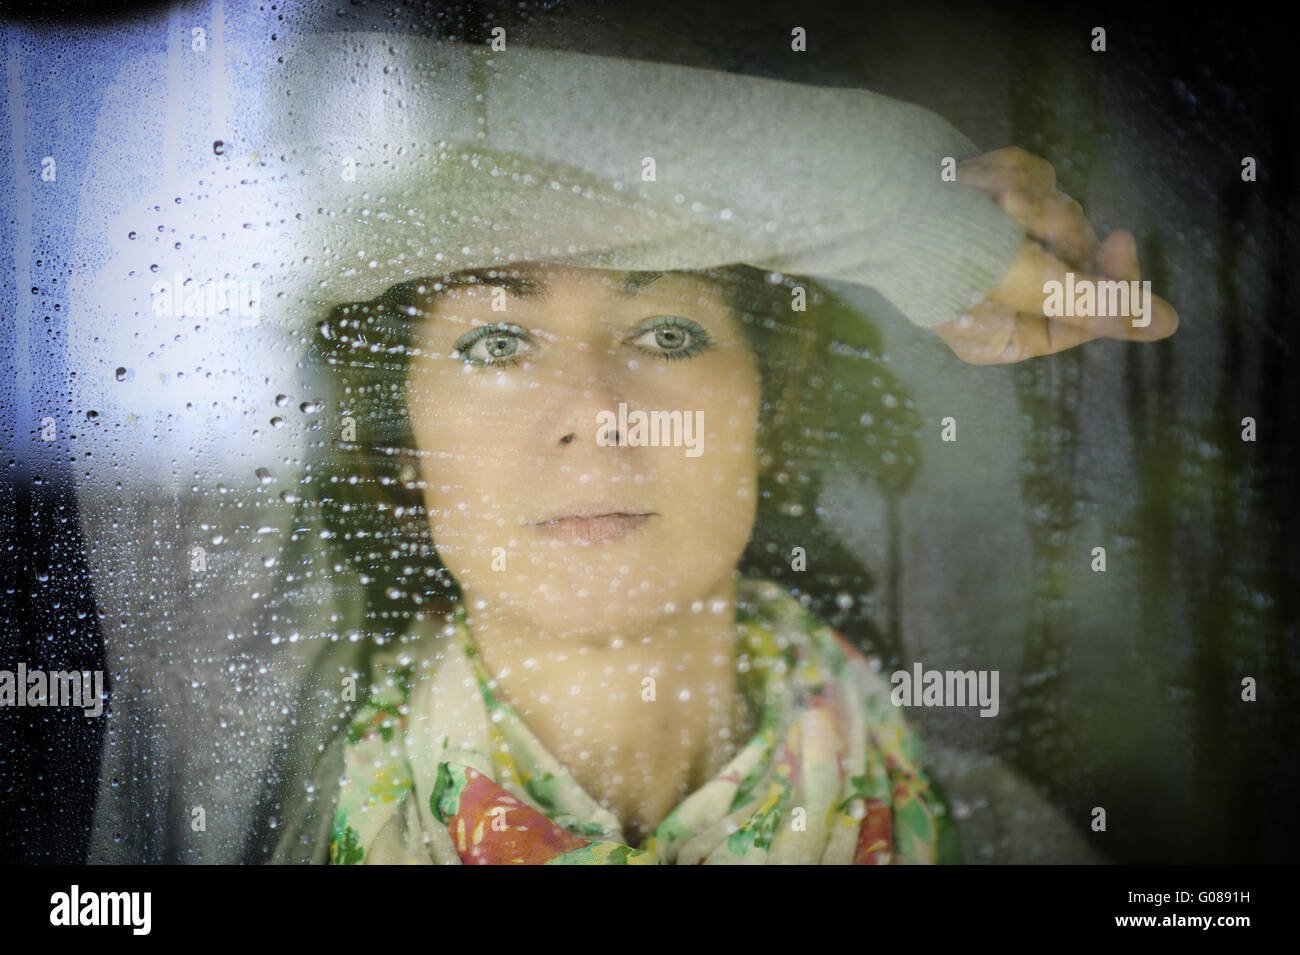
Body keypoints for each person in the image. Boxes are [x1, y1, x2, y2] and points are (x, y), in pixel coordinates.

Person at [70, 30, 1175, 863]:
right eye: (498, 341)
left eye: (667, 333)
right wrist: (878, 186)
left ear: (767, 415)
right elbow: (179, 225)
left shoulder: (998, 841)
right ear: (403, 446)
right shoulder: (254, 763)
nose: (597, 410)